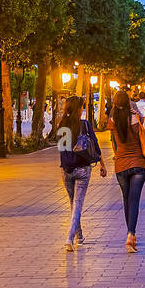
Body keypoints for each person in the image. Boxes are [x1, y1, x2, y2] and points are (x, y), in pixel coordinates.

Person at [57, 96, 106, 252]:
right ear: (79, 109)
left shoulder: (62, 125)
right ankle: (70, 238)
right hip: (83, 169)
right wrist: (102, 163)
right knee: (77, 204)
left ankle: (80, 235)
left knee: (74, 203)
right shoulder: (84, 125)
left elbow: (62, 149)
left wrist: (65, 166)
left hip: (67, 170)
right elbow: (95, 145)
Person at [110, 89, 145, 252]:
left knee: (126, 200)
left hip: (121, 164)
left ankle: (130, 233)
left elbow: (114, 143)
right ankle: (131, 233)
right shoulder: (135, 118)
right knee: (134, 201)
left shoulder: (112, 120)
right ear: (128, 102)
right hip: (138, 163)